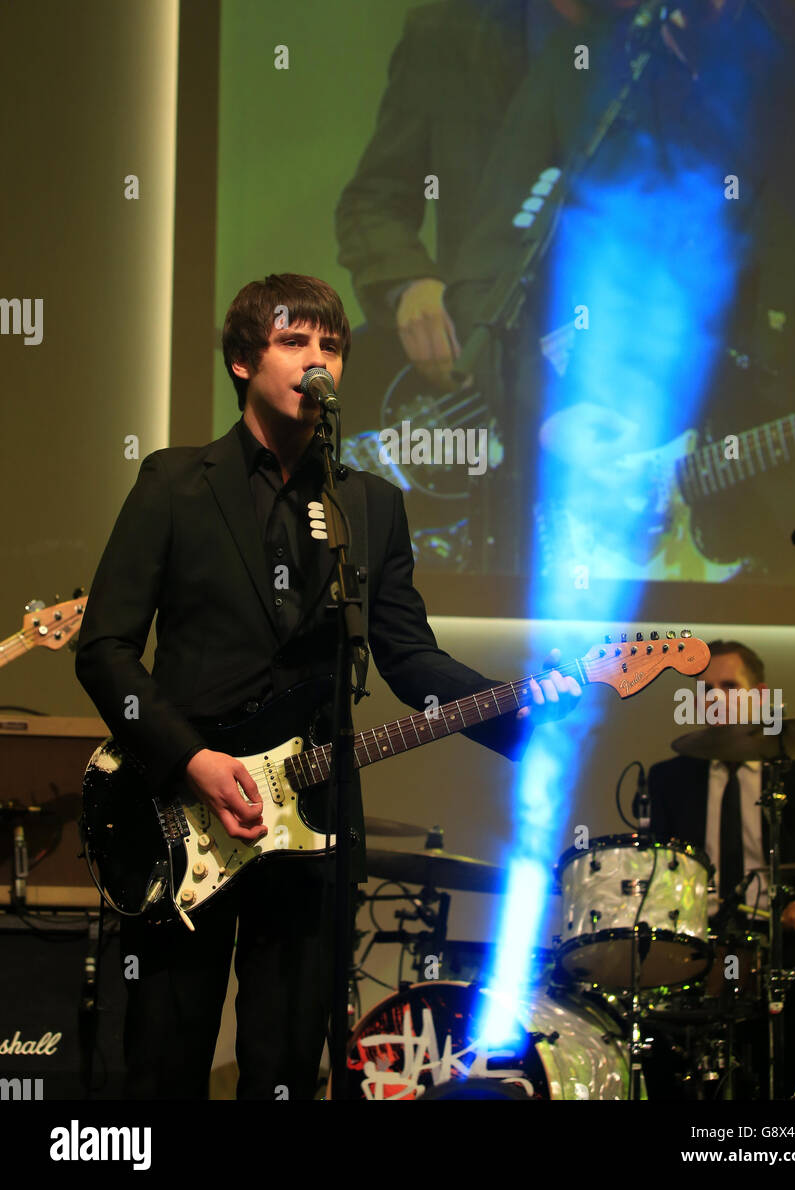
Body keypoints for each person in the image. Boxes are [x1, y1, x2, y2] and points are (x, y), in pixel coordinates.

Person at [74, 272, 580, 1100]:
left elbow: (408, 659)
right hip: (179, 815)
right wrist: (194, 759)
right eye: (294, 341)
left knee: (284, 1068)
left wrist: (516, 708)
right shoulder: (174, 482)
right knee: (164, 1065)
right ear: (243, 361)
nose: (318, 361)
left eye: (332, 346)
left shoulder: (371, 506)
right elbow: (104, 649)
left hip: (311, 817)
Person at [445, 0, 795, 579]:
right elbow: (485, 276)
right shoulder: (575, 78)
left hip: (782, 512)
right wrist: (555, 414)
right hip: (603, 515)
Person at [334, 0, 641, 420]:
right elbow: (372, 202)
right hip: (479, 385)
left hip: (615, 388)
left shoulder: (664, 51)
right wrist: (410, 285)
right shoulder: (446, 41)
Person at [647, 638, 795, 1097]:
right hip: (702, 938)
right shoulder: (669, 779)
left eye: (729, 687)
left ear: (759, 696)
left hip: (781, 937)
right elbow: (662, 870)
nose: (716, 698)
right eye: (706, 690)